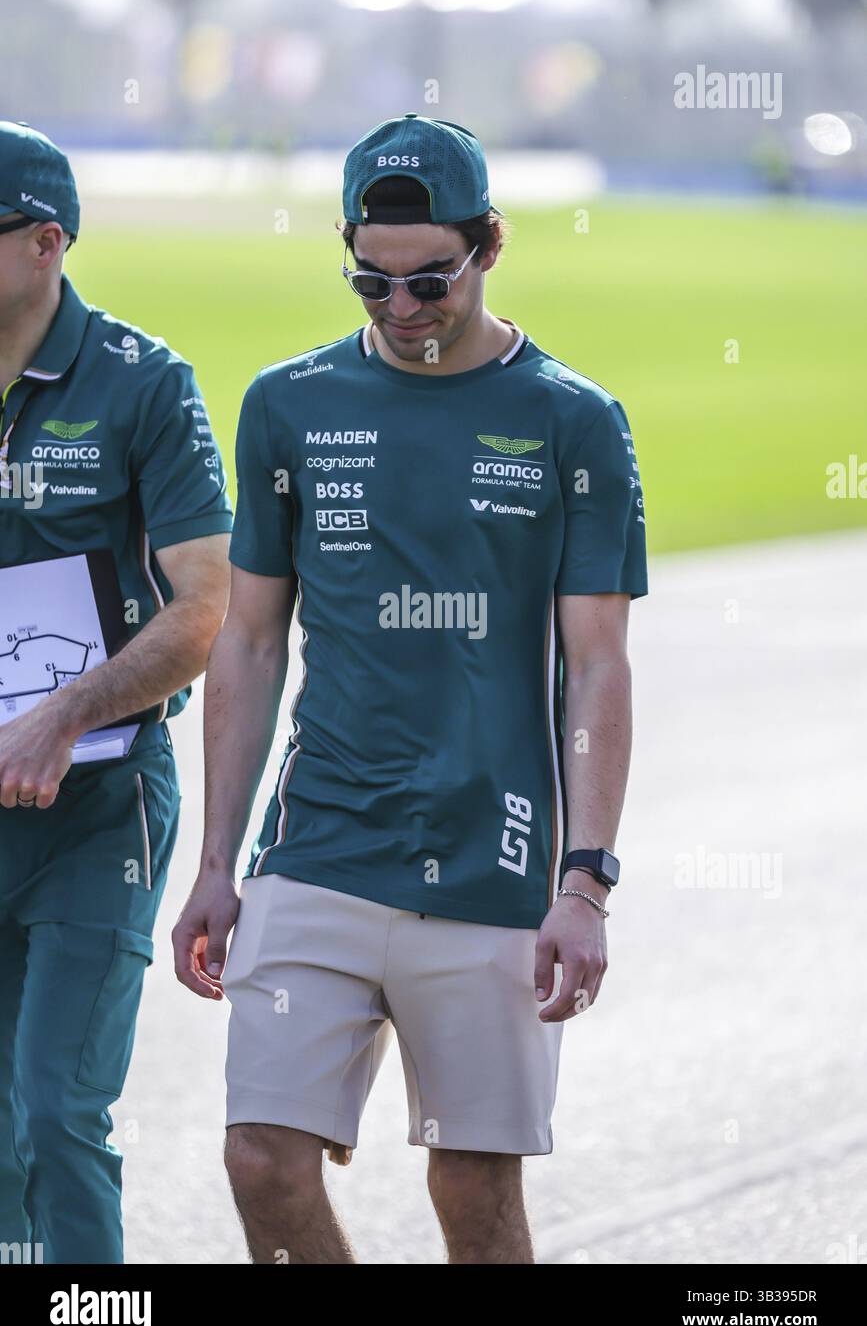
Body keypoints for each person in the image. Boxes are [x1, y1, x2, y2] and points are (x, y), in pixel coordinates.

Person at [173, 113, 648, 1265]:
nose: (399, 308)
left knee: (473, 1196)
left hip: (492, 862)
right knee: (260, 1162)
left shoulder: (572, 419)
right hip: (321, 841)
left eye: (428, 279)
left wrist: (584, 881)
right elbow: (247, 642)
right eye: (368, 282)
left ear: (490, 246)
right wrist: (218, 862)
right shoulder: (286, 405)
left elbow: (596, 664)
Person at [0, 120, 233, 1264]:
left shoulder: (147, 384)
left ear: (46, 242)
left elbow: (204, 609)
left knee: (55, 1111)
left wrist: (64, 713)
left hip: (98, 809)